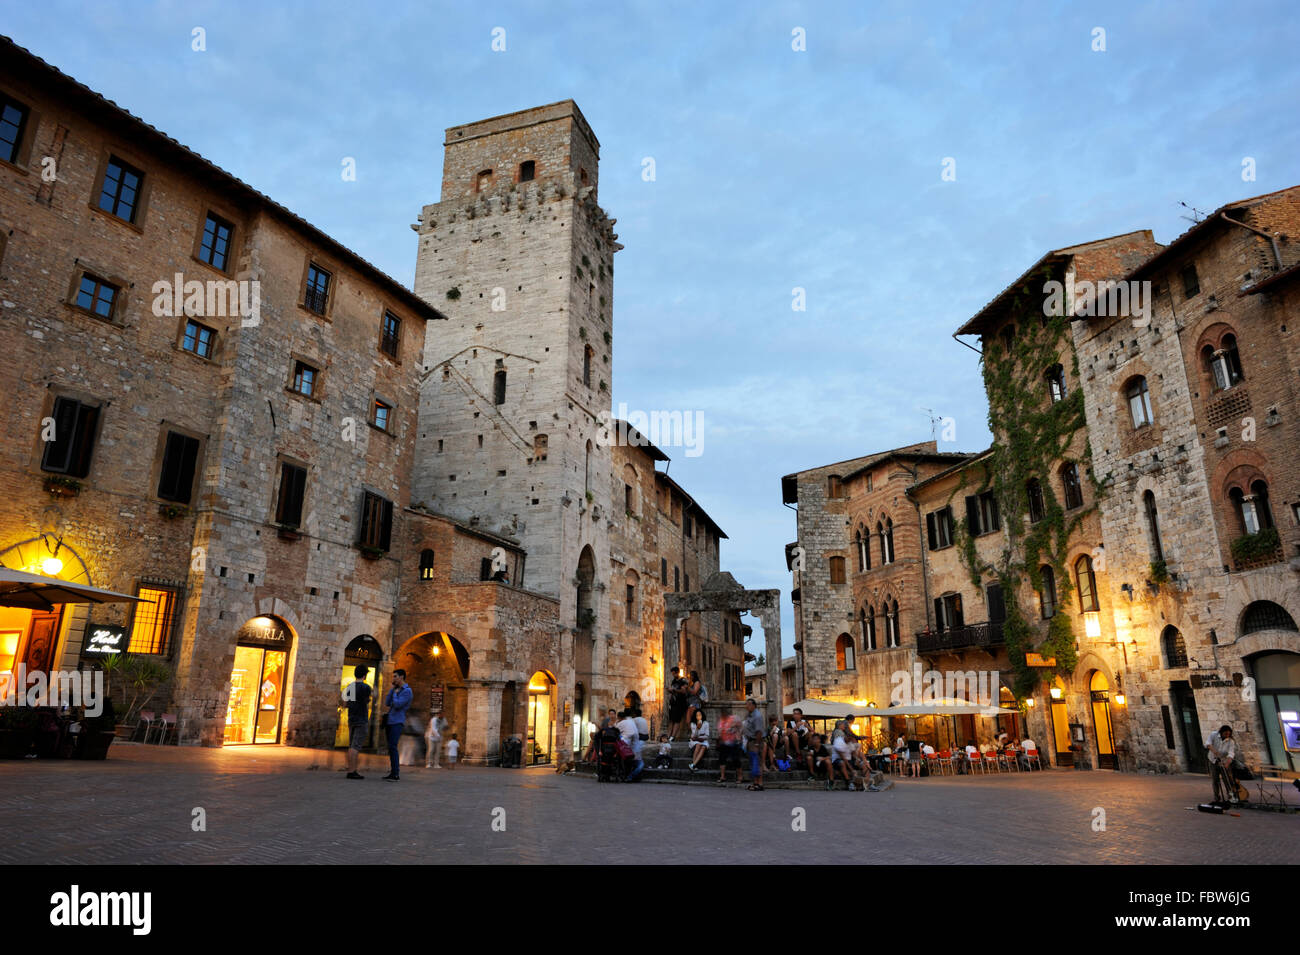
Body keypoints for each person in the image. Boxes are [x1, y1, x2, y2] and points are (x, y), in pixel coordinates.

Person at [341, 665, 372, 780]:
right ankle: (352, 771)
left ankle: (351, 769)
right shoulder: (366, 688)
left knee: (351, 745)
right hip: (361, 719)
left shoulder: (350, 687)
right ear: (364, 675)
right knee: (356, 746)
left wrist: (352, 704)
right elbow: (366, 701)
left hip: (351, 718)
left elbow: (344, 703)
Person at [382, 669, 412, 780]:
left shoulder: (407, 691)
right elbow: (387, 702)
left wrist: (395, 694)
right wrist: (393, 690)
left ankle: (395, 773)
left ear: (402, 677)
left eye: (395, 676)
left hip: (397, 722)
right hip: (390, 721)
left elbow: (398, 704)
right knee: (390, 747)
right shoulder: (395, 689)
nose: (393, 678)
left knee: (393, 747)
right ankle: (392, 771)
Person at [1207, 724, 1240, 804]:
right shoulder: (1213, 735)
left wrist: (1227, 763)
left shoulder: (1231, 741)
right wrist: (1215, 752)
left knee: (1227, 780)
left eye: (1229, 734)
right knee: (1215, 780)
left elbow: (1231, 753)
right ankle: (1217, 798)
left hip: (1224, 761)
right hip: (1213, 760)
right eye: (1225, 734)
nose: (1227, 736)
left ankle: (1231, 797)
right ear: (1221, 733)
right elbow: (1208, 744)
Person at [742, 699, 766, 791]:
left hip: (756, 741)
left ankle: (760, 783)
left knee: (757, 762)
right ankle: (755, 783)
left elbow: (759, 731)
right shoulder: (750, 714)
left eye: (748, 705)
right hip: (750, 740)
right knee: (753, 762)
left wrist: (756, 744)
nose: (746, 706)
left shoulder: (757, 716)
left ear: (753, 705)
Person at [617, 709, 644, 781]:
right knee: (639, 764)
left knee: (629, 762)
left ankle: (629, 776)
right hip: (636, 748)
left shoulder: (621, 723)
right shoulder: (631, 721)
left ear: (619, 718)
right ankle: (631, 776)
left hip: (627, 749)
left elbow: (614, 731)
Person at [717, 710, 743, 783]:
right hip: (724, 743)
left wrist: (738, 736)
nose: (723, 715)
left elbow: (740, 726)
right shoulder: (721, 720)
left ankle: (740, 777)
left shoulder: (734, 718)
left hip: (734, 742)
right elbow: (719, 732)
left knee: (736, 759)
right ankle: (722, 777)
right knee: (722, 759)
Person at [667, 666, 689, 738]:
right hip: (673, 702)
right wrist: (670, 690)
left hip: (680, 703)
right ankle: (668, 735)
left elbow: (684, 691)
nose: (673, 675)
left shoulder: (683, 680)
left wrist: (674, 690)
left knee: (677, 720)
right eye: (672, 674)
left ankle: (673, 737)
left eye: (674, 674)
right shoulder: (674, 681)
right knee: (671, 720)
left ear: (677, 672)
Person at [687, 708, 710, 772]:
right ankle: (694, 765)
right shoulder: (693, 724)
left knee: (703, 747)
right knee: (698, 745)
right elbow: (694, 736)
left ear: (702, 715)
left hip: (703, 740)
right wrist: (697, 728)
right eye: (697, 715)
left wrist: (700, 737)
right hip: (695, 741)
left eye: (700, 715)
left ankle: (693, 765)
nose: (698, 716)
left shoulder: (706, 723)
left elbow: (707, 735)